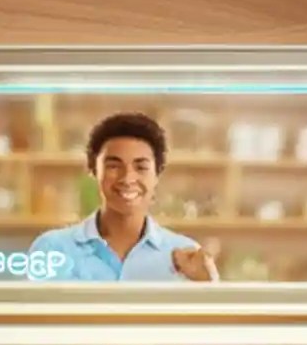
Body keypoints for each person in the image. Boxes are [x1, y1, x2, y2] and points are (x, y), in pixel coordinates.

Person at [27, 112, 218, 282]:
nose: (127, 179)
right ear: (94, 170)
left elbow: (207, 321)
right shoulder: (53, 249)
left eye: (141, 167)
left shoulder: (186, 256)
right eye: (113, 166)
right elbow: (32, 319)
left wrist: (208, 285)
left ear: (157, 174)